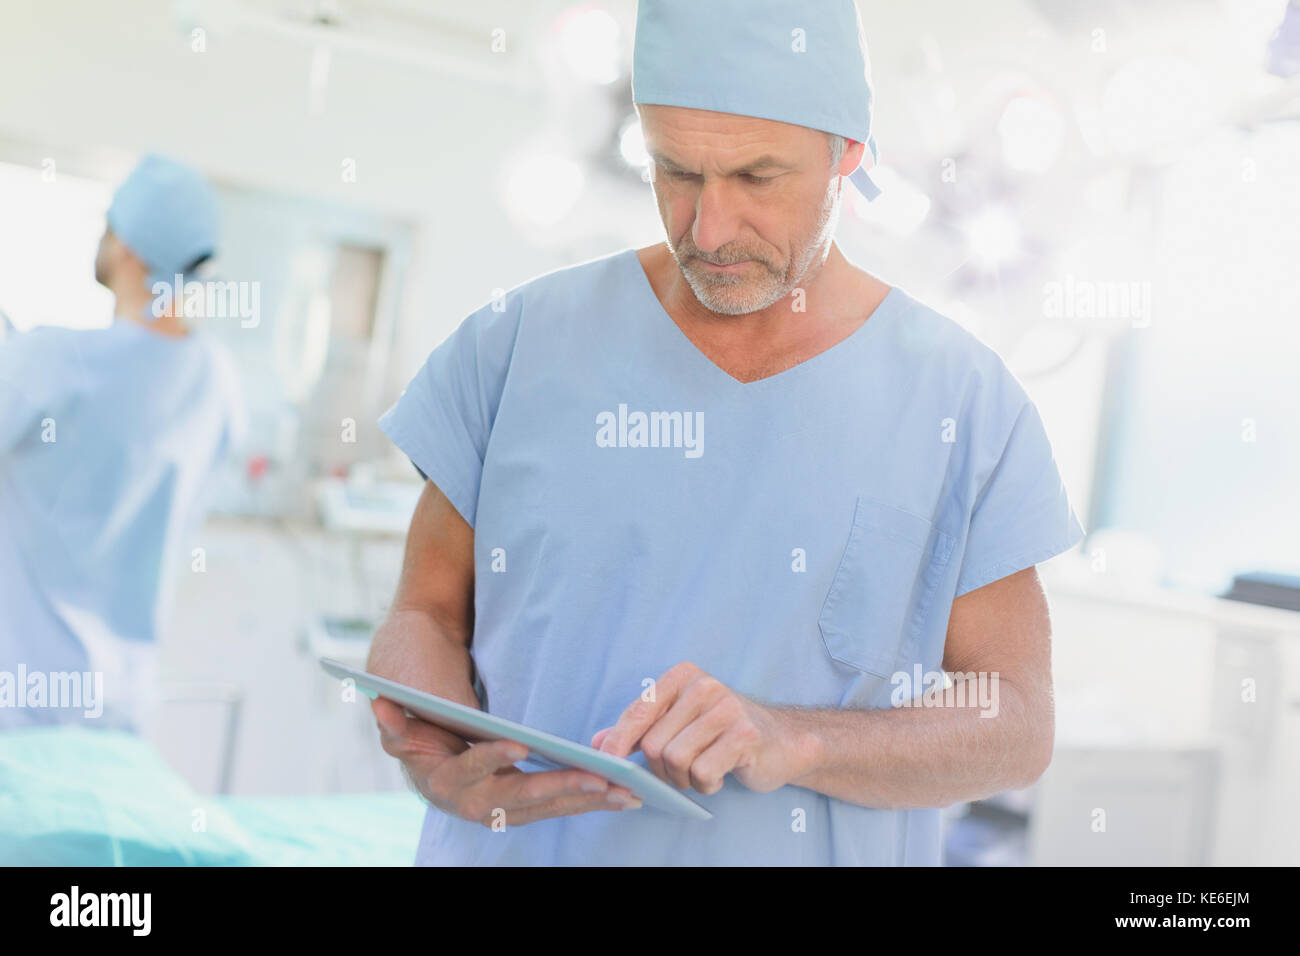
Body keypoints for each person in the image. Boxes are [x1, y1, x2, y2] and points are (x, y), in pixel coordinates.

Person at [367, 0, 1086, 865]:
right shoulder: (513, 346)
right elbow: (423, 613)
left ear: (848, 154)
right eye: (675, 172)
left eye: (756, 178)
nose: (708, 231)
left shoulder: (963, 404)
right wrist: (436, 757)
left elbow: (1013, 719)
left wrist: (797, 738)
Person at [0, 154, 243, 730]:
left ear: (129, 246)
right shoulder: (218, 380)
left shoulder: (52, 360)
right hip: (120, 708)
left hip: (21, 707)